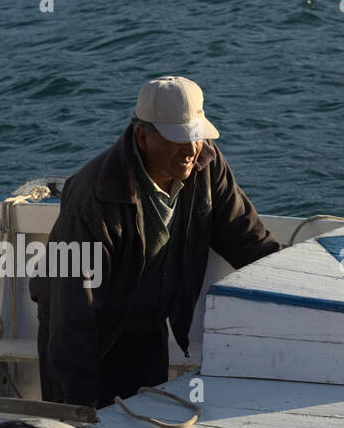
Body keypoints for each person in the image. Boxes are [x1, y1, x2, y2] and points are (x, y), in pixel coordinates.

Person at [29, 76, 281, 409]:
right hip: (86, 341)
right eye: (178, 139)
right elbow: (73, 309)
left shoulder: (206, 163)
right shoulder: (92, 199)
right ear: (142, 136)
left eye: (196, 136)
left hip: (147, 331)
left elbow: (245, 237)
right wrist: (77, 405)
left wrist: (297, 283)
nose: (191, 150)